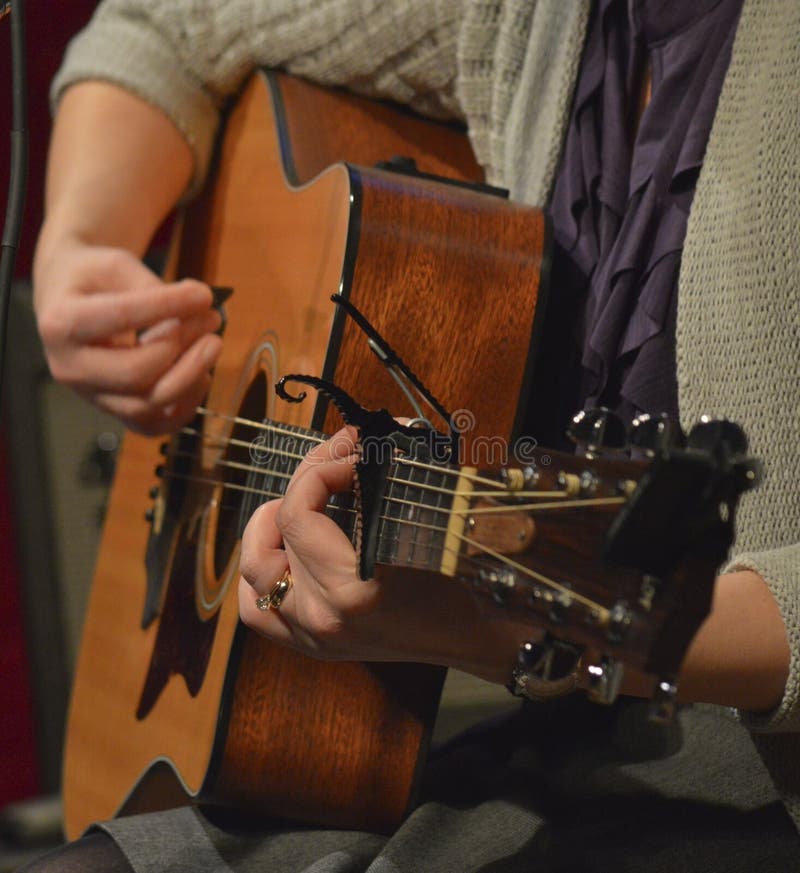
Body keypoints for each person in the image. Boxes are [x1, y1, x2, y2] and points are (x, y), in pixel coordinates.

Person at [26, 0, 800, 870]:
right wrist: (78, 252)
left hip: (754, 771)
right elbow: (167, 25)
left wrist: (486, 625)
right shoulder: (529, 17)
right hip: (579, 739)